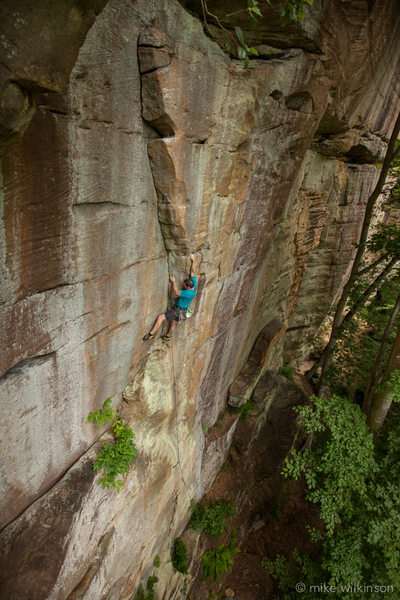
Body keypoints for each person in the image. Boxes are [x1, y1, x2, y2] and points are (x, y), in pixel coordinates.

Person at [142, 254, 197, 341]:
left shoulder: (187, 293)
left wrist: (173, 282)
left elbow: (176, 291)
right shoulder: (194, 286)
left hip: (177, 311)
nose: (184, 286)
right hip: (182, 311)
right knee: (173, 324)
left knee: (160, 317)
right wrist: (193, 260)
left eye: (184, 286)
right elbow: (193, 272)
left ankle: (151, 334)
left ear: (188, 287)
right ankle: (167, 336)